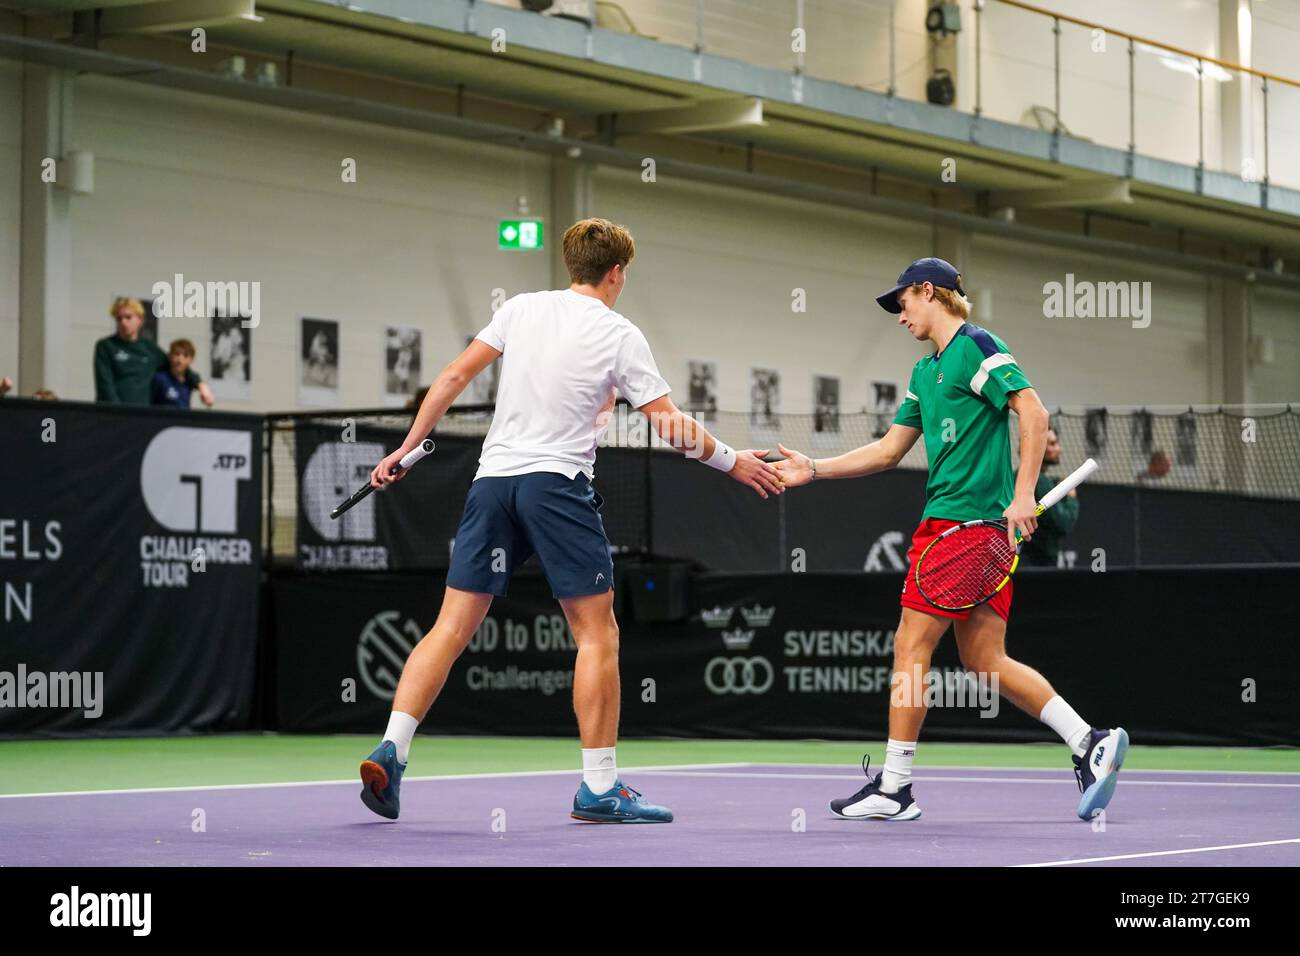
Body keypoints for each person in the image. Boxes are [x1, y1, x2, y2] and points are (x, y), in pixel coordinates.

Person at [357, 218, 783, 824]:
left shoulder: (521, 309)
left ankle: (392, 747)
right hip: (555, 486)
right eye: (624, 273)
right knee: (596, 633)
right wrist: (733, 461)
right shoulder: (619, 332)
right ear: (616, 273)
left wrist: (405, 449)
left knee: (450, 627)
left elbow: (451, 377)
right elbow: (668, 424)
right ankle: (599, 788)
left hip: (491, 484)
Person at [775, 257, 1126, 822]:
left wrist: (1022, 492)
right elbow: (888, 451)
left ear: (929, 292)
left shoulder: (976, 346)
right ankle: (1090, 741)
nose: (898, 315)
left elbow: (1032, 413)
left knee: (911, 644)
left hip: (963, 529)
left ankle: (894, 787)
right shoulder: (924, 373)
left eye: (903, 303)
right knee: (985, 658)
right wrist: (813, 468)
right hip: (965, 533)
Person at [94, 298, 214, 406]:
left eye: (128, 317)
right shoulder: (106, 346)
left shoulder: (150, 349)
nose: (123, 322)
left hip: (142, 417)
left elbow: (177, 365)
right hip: (112, 415)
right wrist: (118, 413)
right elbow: (105, 387)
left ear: (140, 320)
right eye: (119, 319)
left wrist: (200, 385)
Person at [1019, 426, 1079, 567]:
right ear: (1038, 447)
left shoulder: (1025, 476)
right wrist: (1071, 497)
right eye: (1052, 444)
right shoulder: (1039, 481)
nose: (1059, 449)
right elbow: (1062, 523)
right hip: (1037, 567)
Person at [151, 339, 212, 408]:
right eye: (177, 354)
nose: (180, 359)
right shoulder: (160, 379)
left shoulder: (190, 381)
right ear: (170, 356)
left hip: (184, 418)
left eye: (185, 355)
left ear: (191, 360)